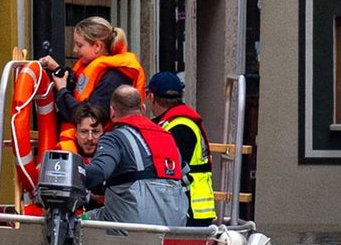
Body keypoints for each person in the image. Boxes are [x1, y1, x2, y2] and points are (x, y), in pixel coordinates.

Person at [81, 86, 189, 227]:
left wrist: (70, 176)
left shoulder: (114, 138)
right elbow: (184, 177)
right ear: (143, 109)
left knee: (80, 222)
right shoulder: (167, 137)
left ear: (112, 111)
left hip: (132, 226)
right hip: (174, 226)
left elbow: (98, 171)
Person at [39, 16, 146, 153]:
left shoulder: (113, 77)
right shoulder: (92, 68)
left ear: (97, 46)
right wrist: (58, 70)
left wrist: (62, 90)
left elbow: (89, 116)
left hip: (103, 149)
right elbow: (78, 89)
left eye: (79, 45)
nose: (75, 50)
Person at [146, 72, 216, 226]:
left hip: (189, 207)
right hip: (192, 205)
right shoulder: (180, 122)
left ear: (151, 97)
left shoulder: (178, 127)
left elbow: (167, 170)